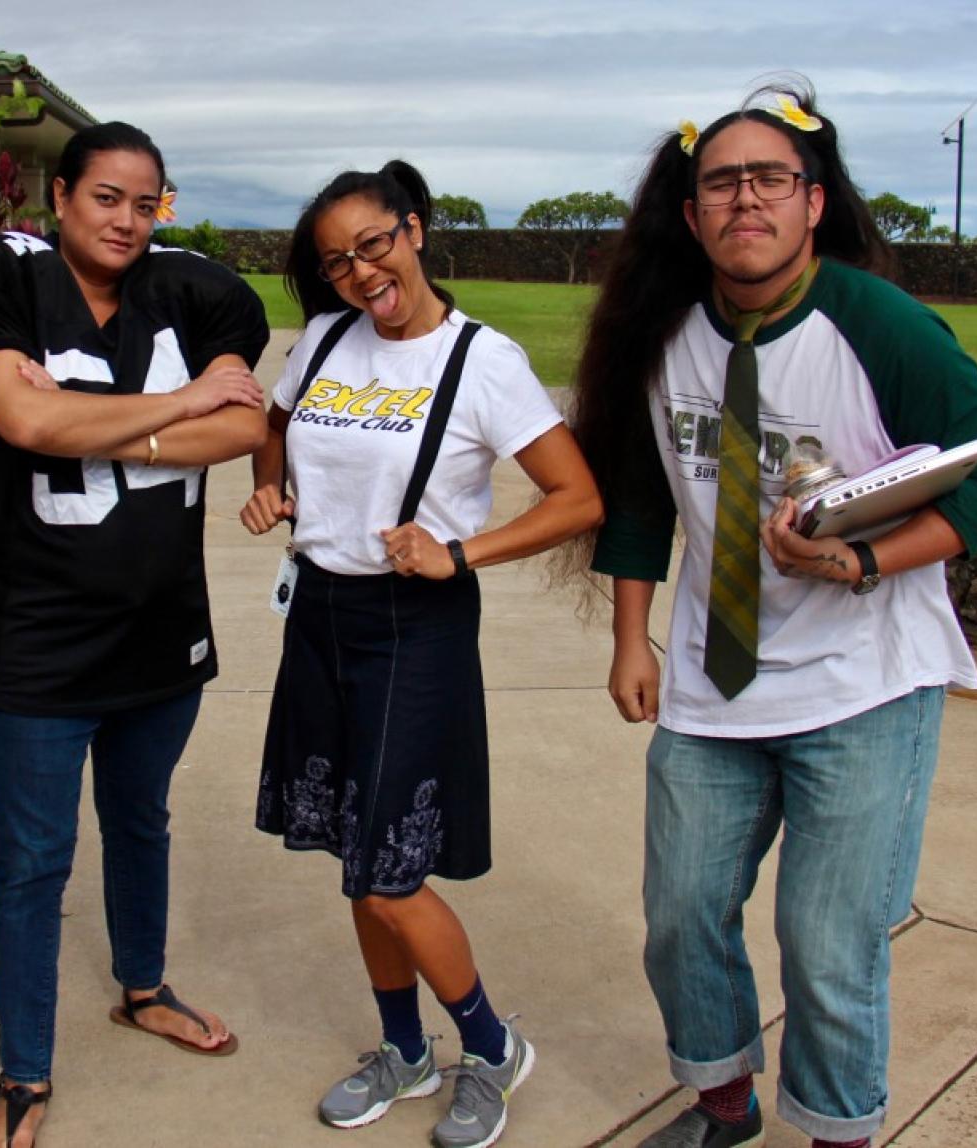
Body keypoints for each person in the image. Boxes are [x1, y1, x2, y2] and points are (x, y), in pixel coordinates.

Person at [563, 83, 977, 1148]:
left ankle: (837, 1131)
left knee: (827, 941)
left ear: (813, 202)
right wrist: (629, 637)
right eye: (719, 183)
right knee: (681, 913)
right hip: (708, 673)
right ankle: (723, 1101)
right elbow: (639, 499)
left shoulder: (882, 325)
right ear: (690, 215)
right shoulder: (662, 333)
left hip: (862, 681)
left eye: (768, 178)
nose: (743, 200)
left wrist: (858, 556)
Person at [240, 160, 602, 1148]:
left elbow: (579, 498)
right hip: (318, 613)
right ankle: (402, 1051)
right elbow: (272, 431)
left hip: (414, 624)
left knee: (389, 871)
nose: (359, 272)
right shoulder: (320, 339)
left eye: (373, 244)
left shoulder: (483, 361)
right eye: (336, 260)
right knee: (350, 855)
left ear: (414, 229)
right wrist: (273, 489)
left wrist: (460, 550)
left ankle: (489, 1045)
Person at [0, 121, 270, 1148]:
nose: (126, 220)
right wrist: (176, 406)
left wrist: (98, 414)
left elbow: (247, 427)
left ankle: (142, 985)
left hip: (161, 623)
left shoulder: (196, 290)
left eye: (145, 201)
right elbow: (25, 426)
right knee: (32, 858)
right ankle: (24, 1073)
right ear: (59, 195)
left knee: (141, 821)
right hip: (35, 630)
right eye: (105, 198)